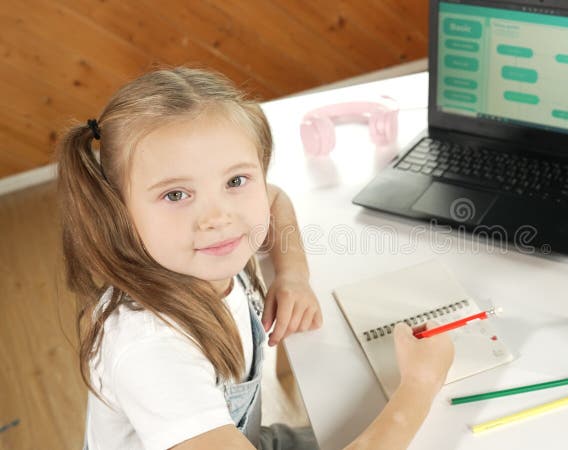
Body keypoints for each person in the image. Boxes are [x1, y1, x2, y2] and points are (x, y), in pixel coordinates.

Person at [57, 67, 454, 450]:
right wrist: (420, 384)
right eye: (176, 194)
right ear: (117, 210)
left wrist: (292, 275)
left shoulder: (195, 252)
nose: (218, 218)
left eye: (235, 181)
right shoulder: (151, 351)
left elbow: (274, 198)